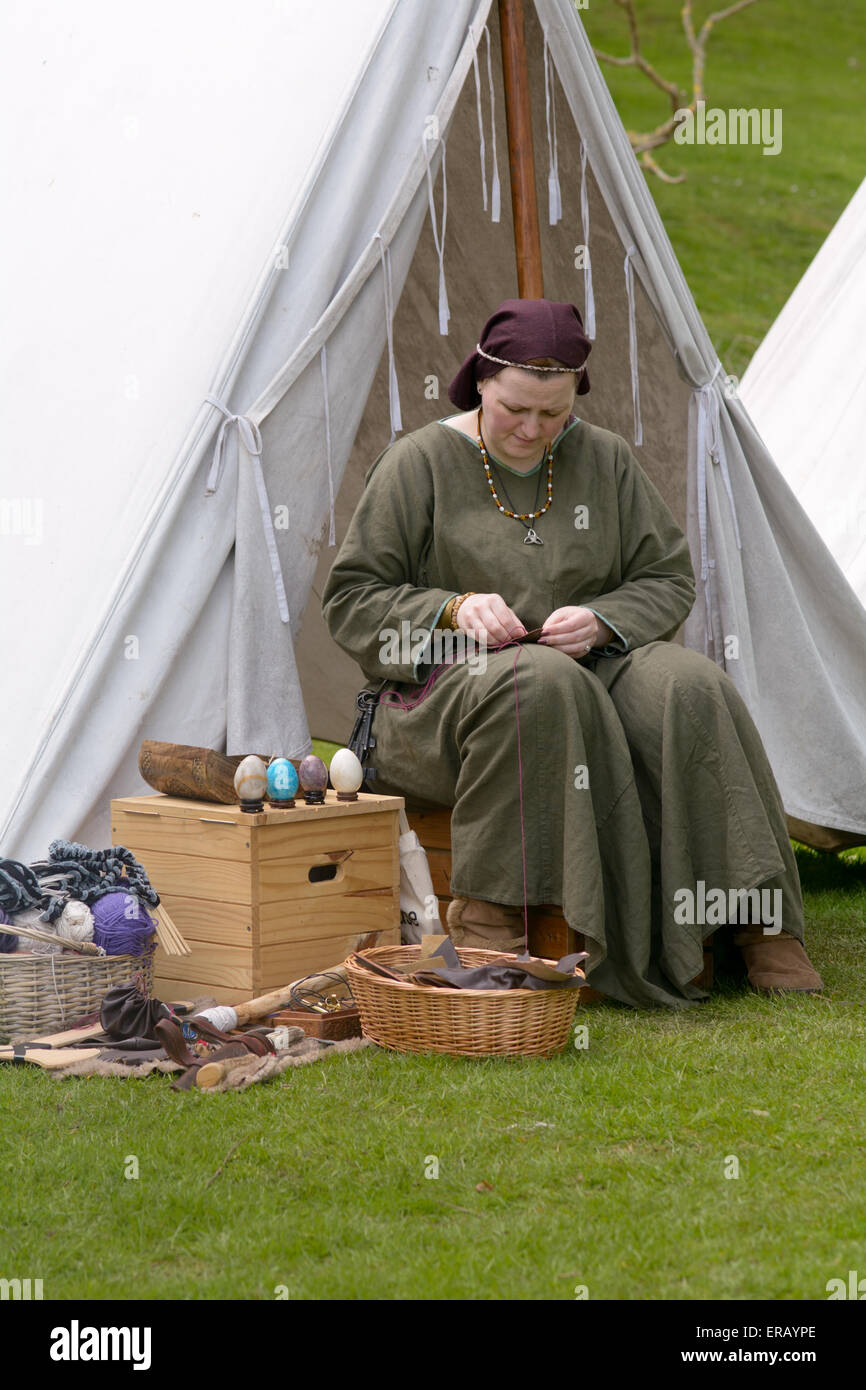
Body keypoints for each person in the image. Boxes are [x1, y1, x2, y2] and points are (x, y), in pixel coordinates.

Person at [321, 298, 822, 1008]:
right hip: (439, 697)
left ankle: (750, 918)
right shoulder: (418, 463)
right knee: (538, 681)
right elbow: (351, 601)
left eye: (552, 414)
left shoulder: (604, 458)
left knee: (688, 683)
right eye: (515, 410)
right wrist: (450, 608)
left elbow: (668, 576)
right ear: (480, 383)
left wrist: (603, 620)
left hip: (590, 671)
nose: (532, 429)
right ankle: (492, 920)